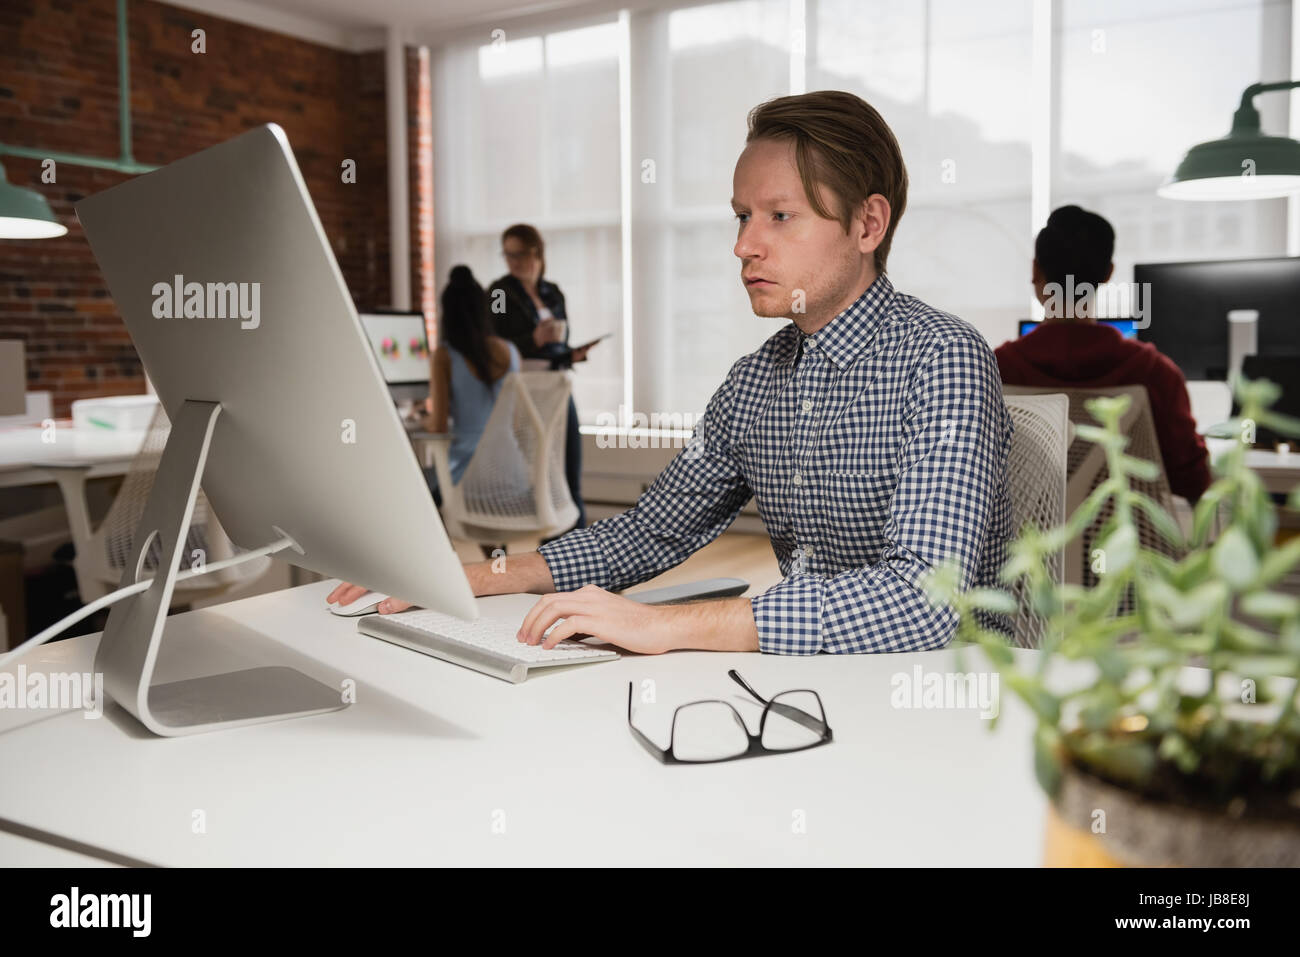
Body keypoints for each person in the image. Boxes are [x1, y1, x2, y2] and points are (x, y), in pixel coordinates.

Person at [331, 90, 1014, 657]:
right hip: (819, 687)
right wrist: (475, 575)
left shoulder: (943, 357)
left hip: (950, 705)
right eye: (742, 217)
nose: (743, 245)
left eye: (780, 216)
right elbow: (651, 530)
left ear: (868, 225)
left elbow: (927, 600)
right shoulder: (755, 381)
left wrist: (668, 624)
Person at [994, 205, 1211, 504]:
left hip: (1029, 534)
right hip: (1125, 531)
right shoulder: (1155, 373)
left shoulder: (995, 369)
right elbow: (1193, 482)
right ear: (1108, 274)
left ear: (1035, 271)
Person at [486, 224, 598, 535]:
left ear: (537, 253)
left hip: (557, 386)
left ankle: (580, 553)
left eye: (520, 254)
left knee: (569, 472)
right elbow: (493, 344)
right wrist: (532, 340)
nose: (514, 261)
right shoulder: (498, 292)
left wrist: (570, 354)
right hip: (524, 392)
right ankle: (551, 556)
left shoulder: (553, 292)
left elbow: (560, 340)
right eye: (508, 255)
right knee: (541, 478)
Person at [423, 265, 522, 555]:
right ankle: (495, 565)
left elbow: (438, 426)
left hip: (471, 478)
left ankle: (440, 569)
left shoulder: (444, 356)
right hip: (513, 475)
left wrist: (424, 416)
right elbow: (518, 421)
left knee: (415, 489)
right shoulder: (511, 352)